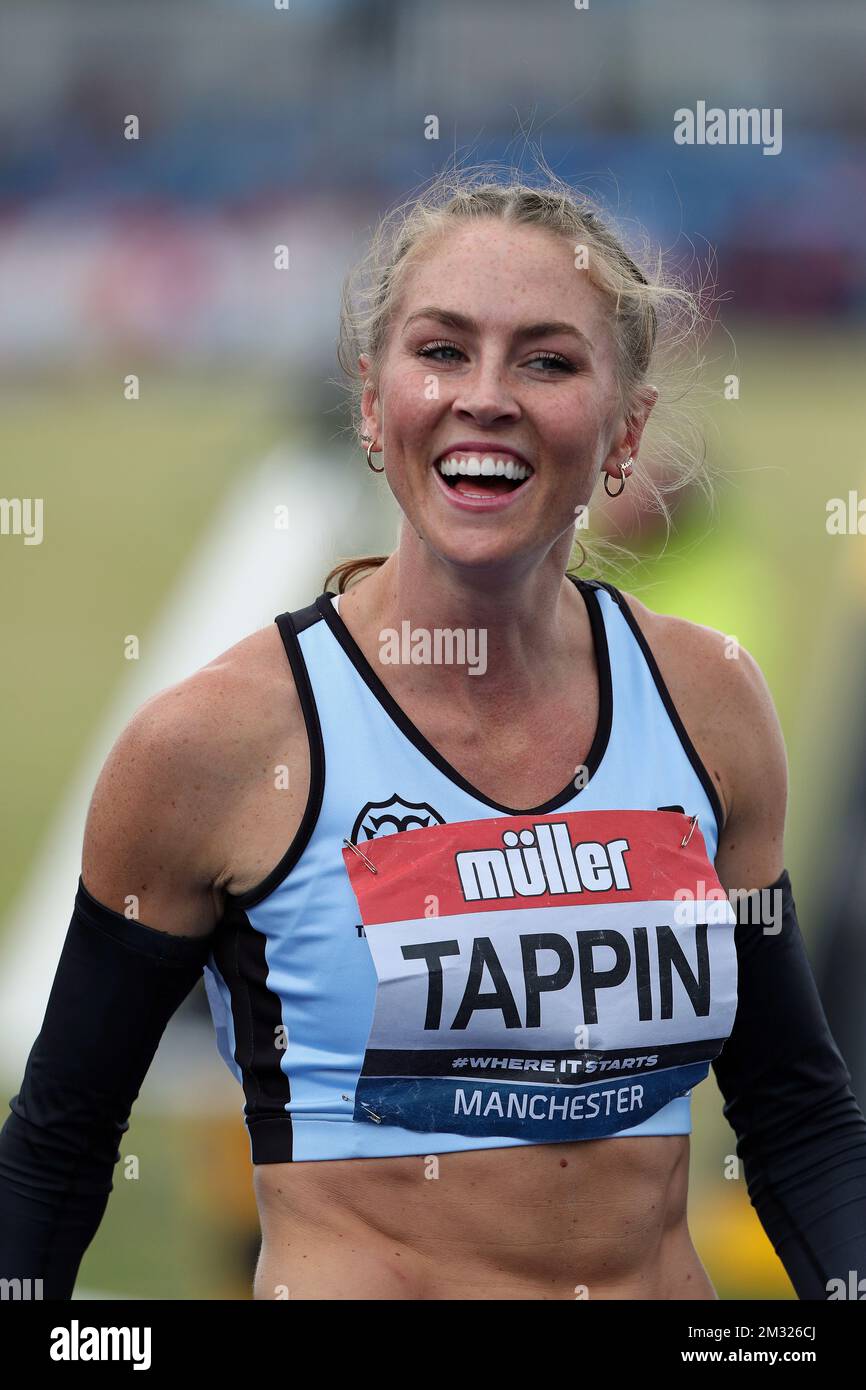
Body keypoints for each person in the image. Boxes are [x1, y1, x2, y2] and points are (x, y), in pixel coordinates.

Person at [2, 168, 865, 1301]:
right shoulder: (215, 742)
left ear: (625, 424)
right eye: (442, 351)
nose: (487, 397)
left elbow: (795, 1113)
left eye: (547, 360)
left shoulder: (707, 703)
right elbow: (58, 1156)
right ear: (370, 400)